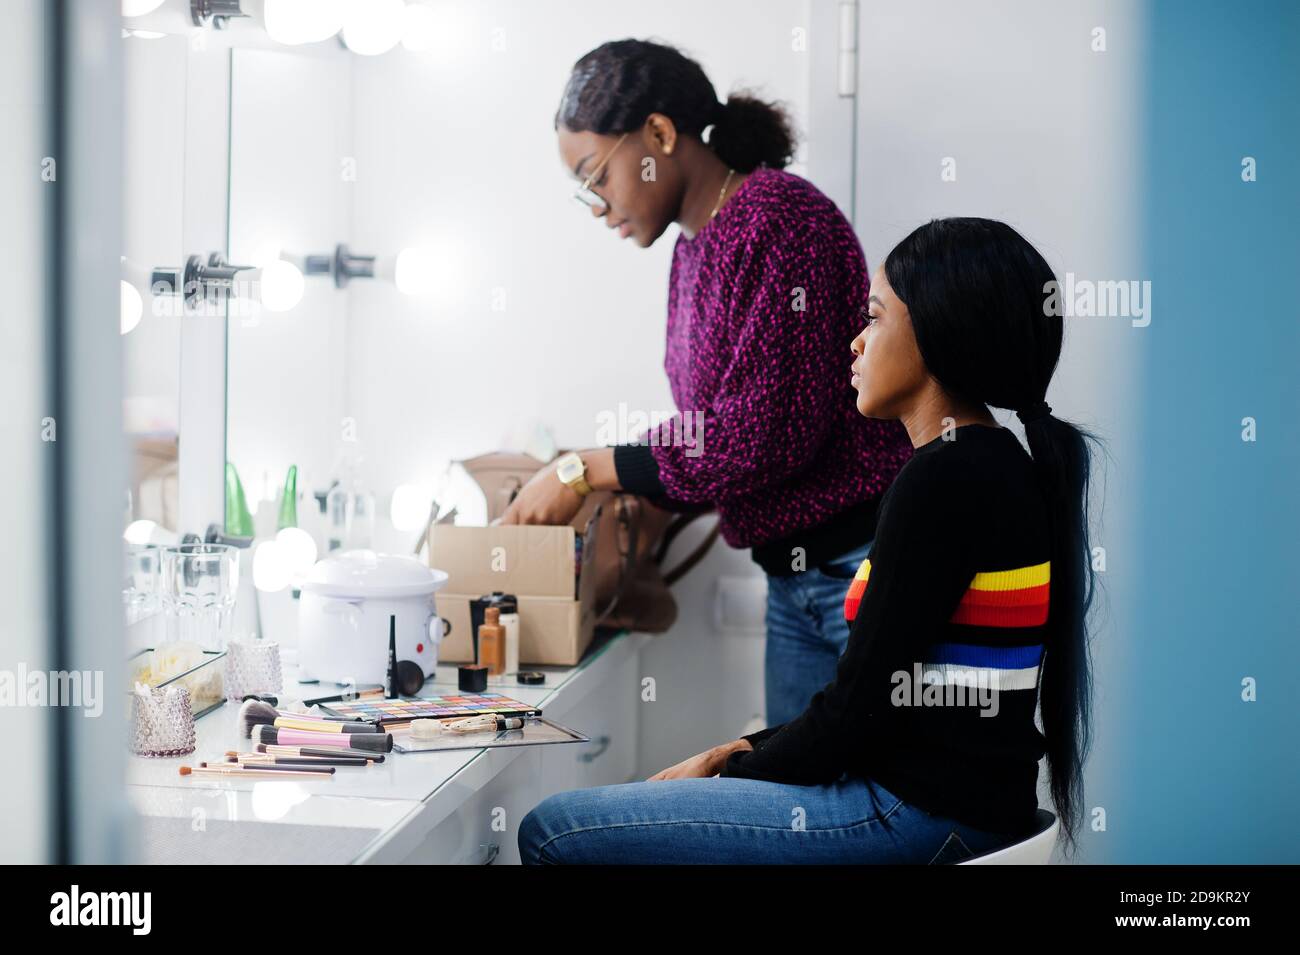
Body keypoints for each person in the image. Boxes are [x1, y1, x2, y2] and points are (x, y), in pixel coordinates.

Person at [518, 217, 1098, 864]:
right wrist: (738, 754)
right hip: (950, 805)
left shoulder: (944, 478)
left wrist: (725, 767)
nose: (855, 342)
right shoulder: (991, 463)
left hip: (913, 813)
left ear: (936, 331)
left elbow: (854, 715)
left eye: (874, 318)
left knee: (554, 828)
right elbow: (867, 702)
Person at [502, 39, 912, 726]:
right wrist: (645, 493)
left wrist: (585, 469)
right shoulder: (696, 247)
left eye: (596, 175)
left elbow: (761, 435)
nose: (598, 205)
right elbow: (720, 434)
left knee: (853, 812)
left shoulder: (782, 221)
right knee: (797, 803)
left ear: (659, 134)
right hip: (797, 582)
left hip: (860, 573)